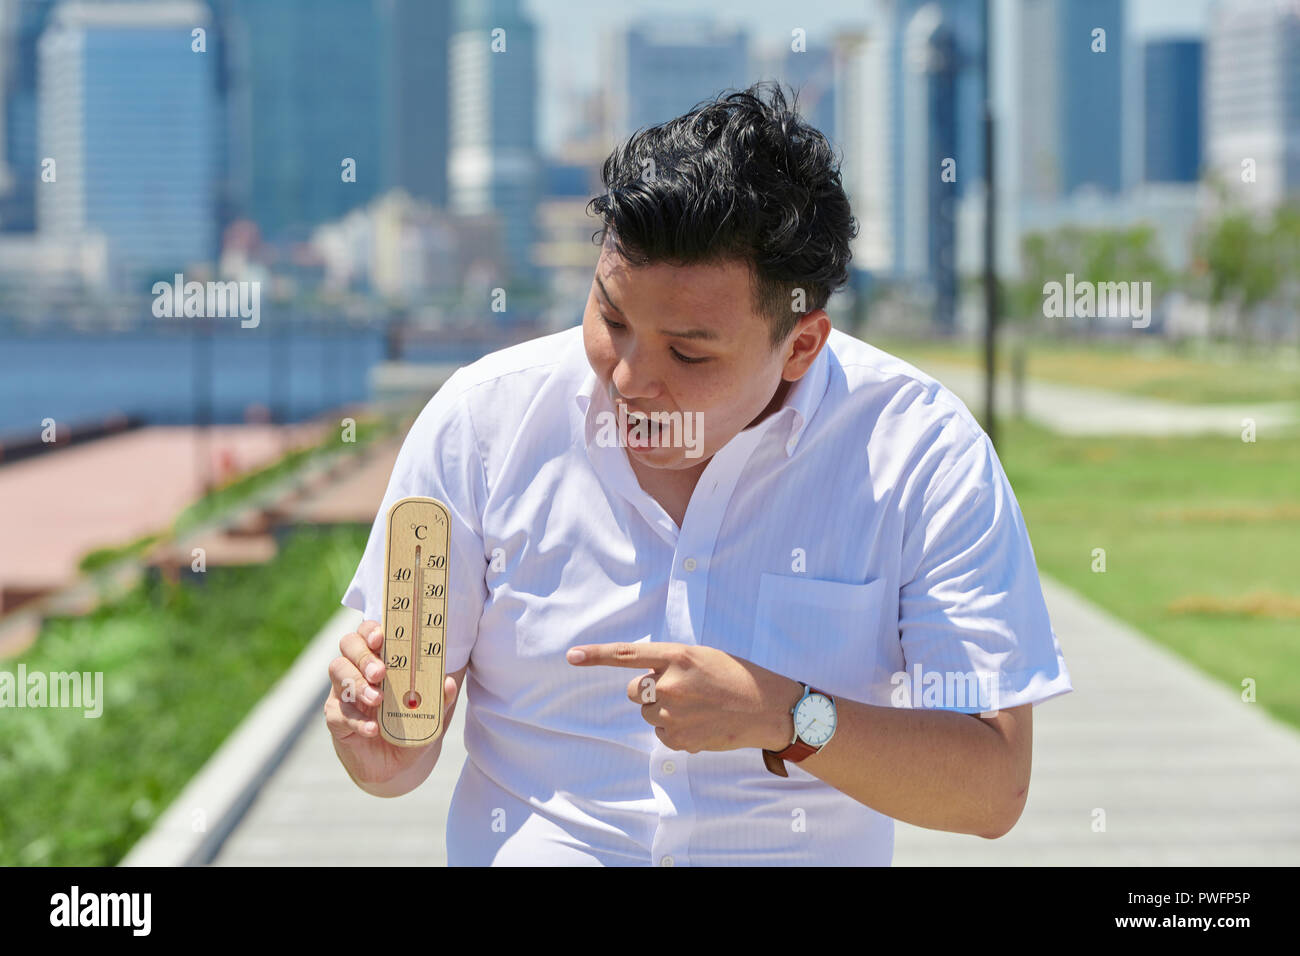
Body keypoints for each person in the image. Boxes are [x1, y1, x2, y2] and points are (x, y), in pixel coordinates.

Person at [324, 82, 1072, 866]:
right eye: (612, 319)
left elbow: (992, 787)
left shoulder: (922, 452)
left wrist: (788, 716)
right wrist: (375, 749)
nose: (628, 379)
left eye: (687, 352)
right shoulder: (478, 426)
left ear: (802, 345)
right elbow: (398, 754)